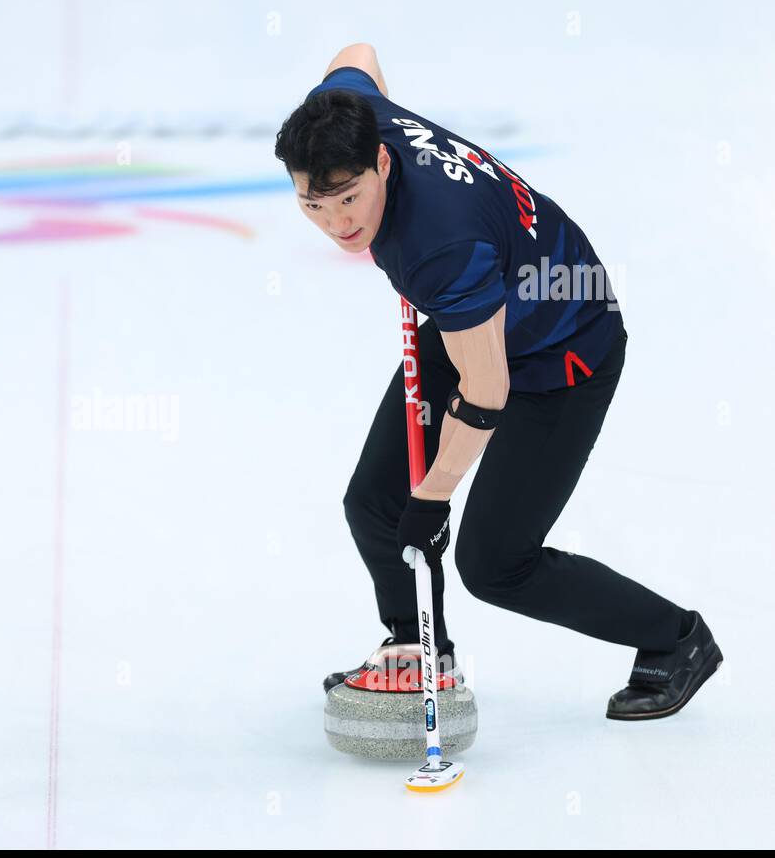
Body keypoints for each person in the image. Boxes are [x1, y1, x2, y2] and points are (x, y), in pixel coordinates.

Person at [274, 44, 722, 719]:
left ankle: (677, 638)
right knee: (373, 502)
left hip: (564, 351)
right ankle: (419, 651)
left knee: (493, 562)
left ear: (384, 162)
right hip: (482, 311)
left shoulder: (441, 248)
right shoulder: (352, 112)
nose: (338, 223)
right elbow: (357, 53)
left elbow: (485, 391)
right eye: (314, 204)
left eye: (350, 197)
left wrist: (434, 499)